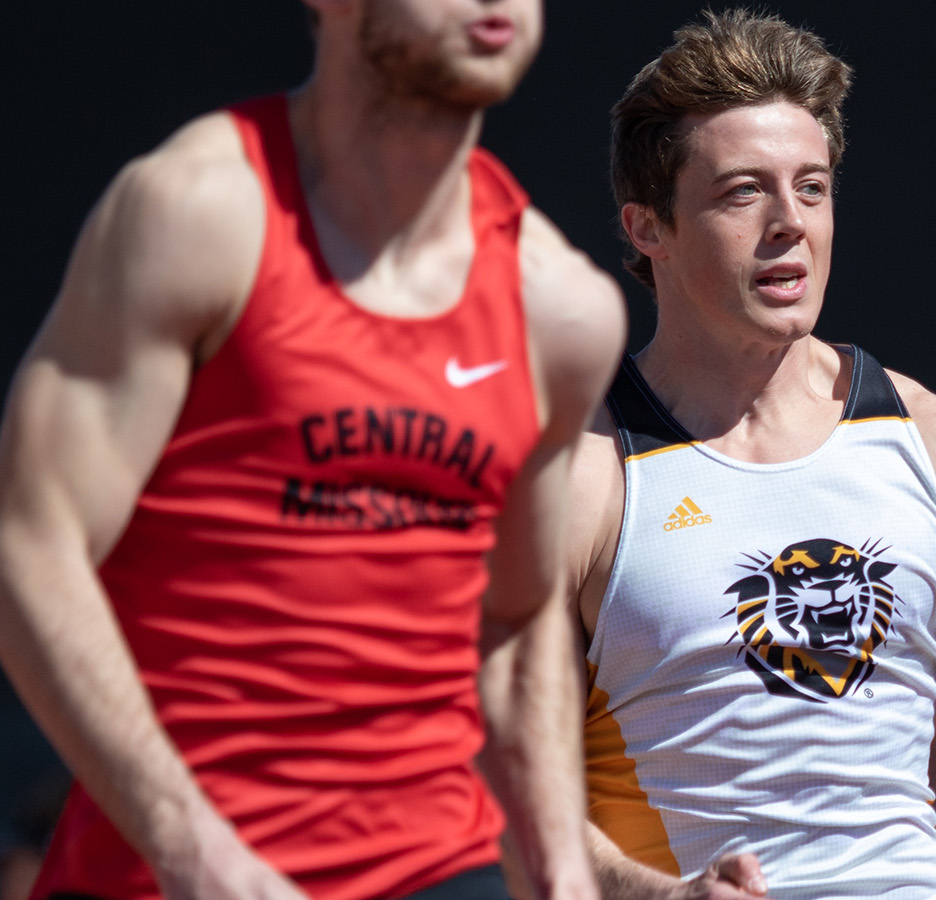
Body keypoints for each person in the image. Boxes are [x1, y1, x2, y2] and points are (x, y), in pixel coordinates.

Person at [0, 1, 624, 898]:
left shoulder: (559, 307)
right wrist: (199, 857)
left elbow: (514, 621)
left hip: (436, 866)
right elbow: (34, 542)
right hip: (173, 870)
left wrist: (564, 876)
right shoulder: (198, 212)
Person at [524, 9, 936, 900]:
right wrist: (656, 895)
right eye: (742, 192)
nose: (788, 223)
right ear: (648, 227)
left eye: (811, 188)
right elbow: (497, 783)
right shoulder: (577, 476)